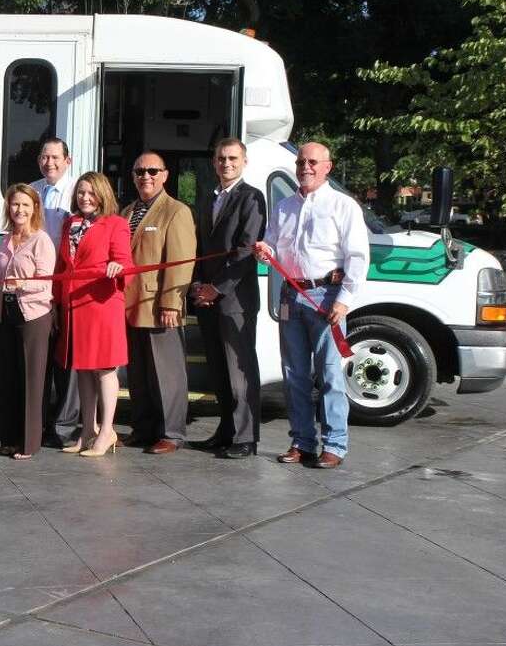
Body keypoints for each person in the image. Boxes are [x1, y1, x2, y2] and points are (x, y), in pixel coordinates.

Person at [255, 142, 369, 469]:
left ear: (327, 167)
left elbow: (358, 257)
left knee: (331, 373)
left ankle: (334, 445)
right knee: (295, 375)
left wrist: (344, 301)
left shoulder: (343, 206)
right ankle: (302, 442)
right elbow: (274, 244)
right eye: (301, 161)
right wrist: (266, 249)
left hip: (326, 297)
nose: (306, 167)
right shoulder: (284, 207)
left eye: (313, 162)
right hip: (292, 296)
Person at [189, 138, 267, 458]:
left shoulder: (251, 197)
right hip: (208, 297)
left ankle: (245, 437)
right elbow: (199, 248)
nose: (226, 163)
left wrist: (217, 288)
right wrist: (197, 285)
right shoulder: (208, 198)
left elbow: (247, 251)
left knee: (240, 371)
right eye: (221, 158)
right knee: (219, 372)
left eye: (233, 158)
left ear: (244, 162)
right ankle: (225, 431)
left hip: (235, 298)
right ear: (214, 162)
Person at [53, 171, 134, 458]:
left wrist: (117, 267)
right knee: (84, 370)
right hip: (75, 305)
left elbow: (125, 262)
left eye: (90, 193)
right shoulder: (69, 224)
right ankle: (88, 430)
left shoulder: (116, 224)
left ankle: (107, 431)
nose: (85, 198)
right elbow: (63, 265)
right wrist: (55, 300)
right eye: (80, 193)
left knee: (105, 368)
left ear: (102, 195)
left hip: (102, 304)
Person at [121, 151, 197, 455]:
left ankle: (172, 432)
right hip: (130, 305)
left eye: (153, 171)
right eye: (140, 172)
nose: (146, 177)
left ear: (165, 175)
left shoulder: (176, 212)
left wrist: (171, 303)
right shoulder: (127, 211)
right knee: (138, 375)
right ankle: (143, 428)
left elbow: (180, 262)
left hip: (159, 305)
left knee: (167, 373)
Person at [0, 184, 56, 460]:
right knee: (7, 379)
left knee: (31, 381)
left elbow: (46, 284)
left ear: (35, 209)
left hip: (33, 316)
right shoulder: (5, 240)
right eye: (15, 204)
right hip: (5, 315)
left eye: (25, 205)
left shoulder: (41, 240)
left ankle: (29, 444)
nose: (20, 210)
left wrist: (21, 284)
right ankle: (8, 439)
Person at [28, 137, 79, 449]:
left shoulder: (78, 192)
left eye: (56, 157)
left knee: (67, 357)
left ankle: (64, 426)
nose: (50, 163)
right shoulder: (31, 191)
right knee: (41, 356)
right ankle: (39, 421)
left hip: (66, 279)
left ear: (67, 160)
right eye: (45, 157)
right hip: (36, 284)